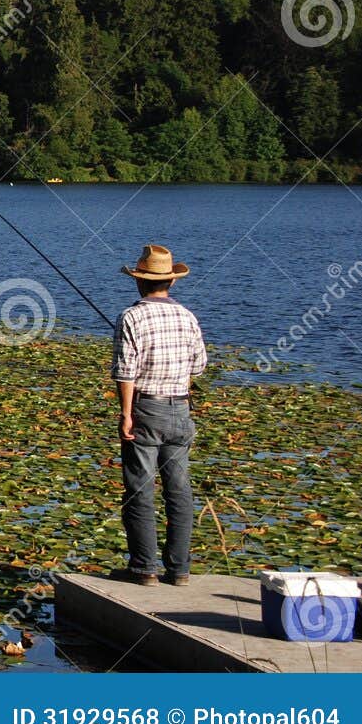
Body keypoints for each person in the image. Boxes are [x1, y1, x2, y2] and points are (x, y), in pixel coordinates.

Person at [111, 244, 207, 586]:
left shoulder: (131, 317)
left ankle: (144, 568)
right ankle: (179, 570)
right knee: (179, 490)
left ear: (139, 281)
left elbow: (126, 372)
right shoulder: (187, 316)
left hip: (145, 408)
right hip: (180, 408)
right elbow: (199, 364)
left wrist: (126, 415)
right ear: (172, 282)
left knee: (139, 488)